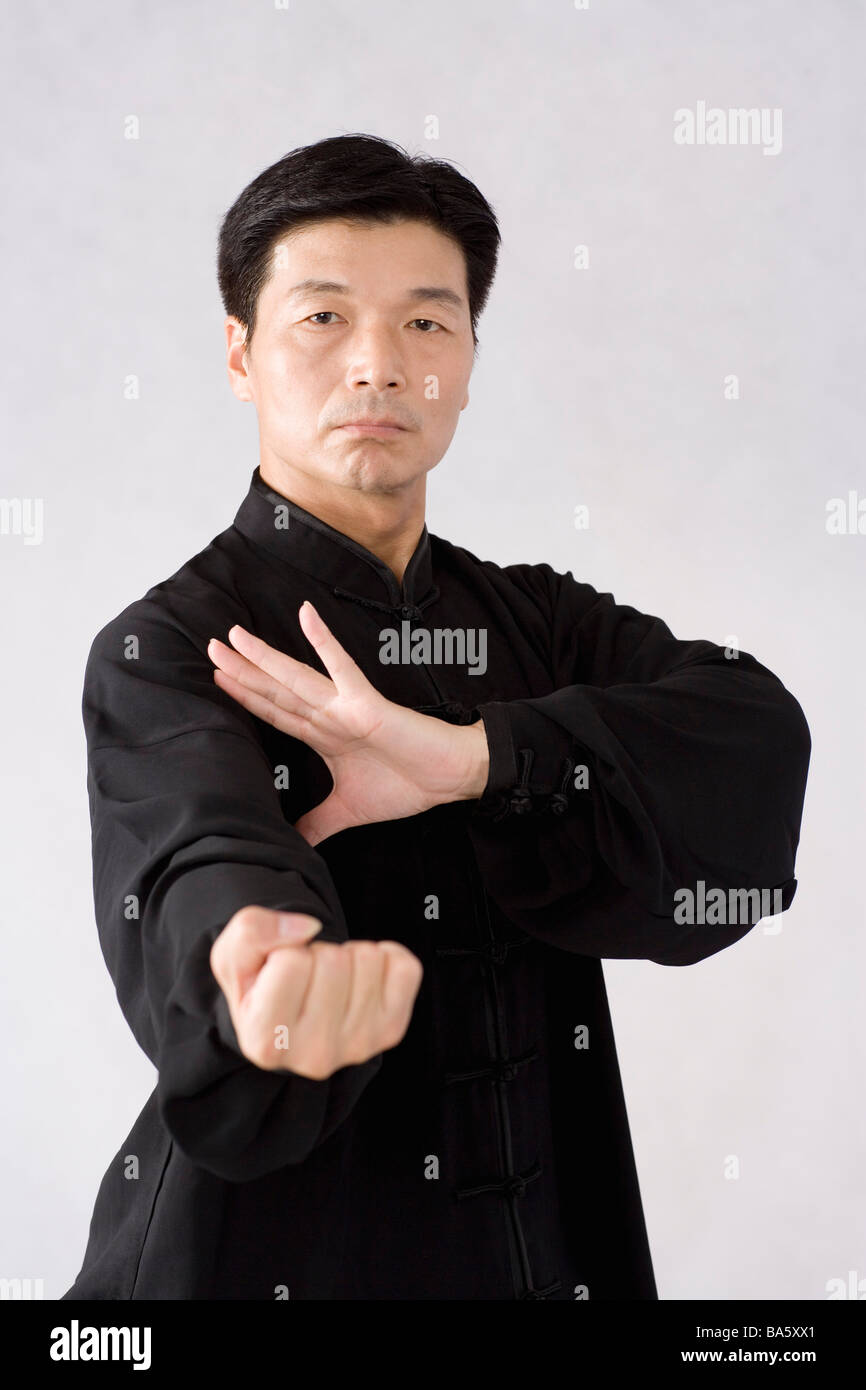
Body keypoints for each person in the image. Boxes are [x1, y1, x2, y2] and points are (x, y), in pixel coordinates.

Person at [62, 133, 811, 1301]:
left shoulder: (536, 620)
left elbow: (748, 734)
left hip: (542, 1246)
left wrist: (478, 759)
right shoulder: (175, 647)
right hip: (265, 1258)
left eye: (425, 322)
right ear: (239, 354)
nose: (377, 365)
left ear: (466, 359)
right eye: (321, 318)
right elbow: (198, 849)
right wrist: (252, 972)